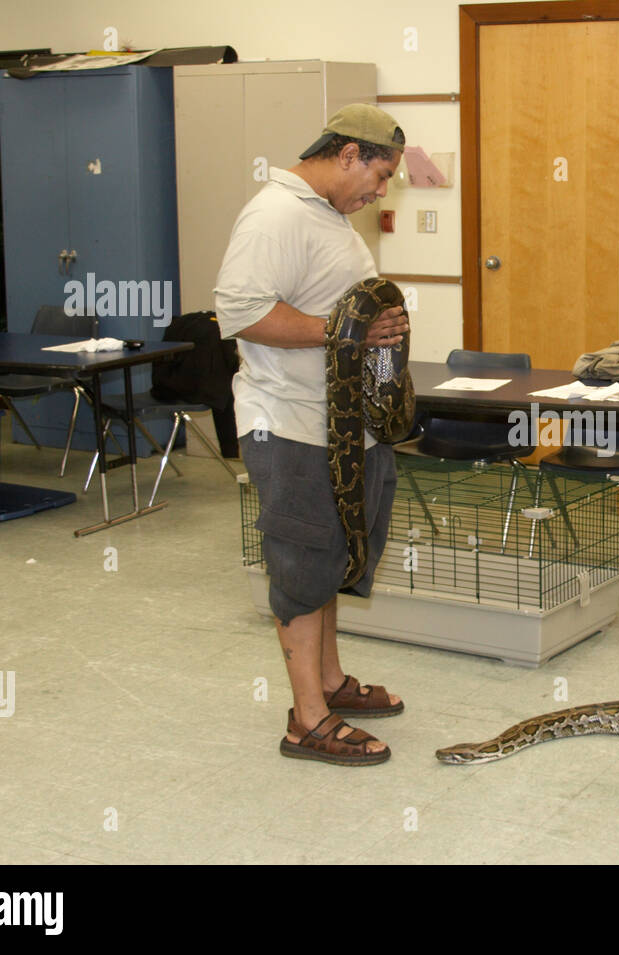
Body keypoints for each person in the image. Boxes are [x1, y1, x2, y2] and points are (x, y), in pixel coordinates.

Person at [215, 104, 410, 767]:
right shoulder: (275, 214)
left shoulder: (326, 214)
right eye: (380, 176)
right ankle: (308, 720)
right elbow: (240, 311)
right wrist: (348, 328)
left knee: (331, 554)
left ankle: (328, 681)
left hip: (338, 423)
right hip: (290, 420)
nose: (380, 192)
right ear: (350, 153)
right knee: (301, 563)